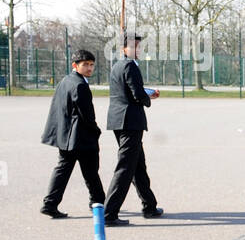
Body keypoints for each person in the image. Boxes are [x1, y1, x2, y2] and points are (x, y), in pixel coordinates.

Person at [40, 48, 105, 218]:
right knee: (91, 172)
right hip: (80, 137)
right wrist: (95, 131)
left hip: (66, 135)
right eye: (85, 65)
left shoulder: (66, 81)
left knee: (63, 169)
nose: (90, 68)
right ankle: (98, 203)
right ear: (75, 65)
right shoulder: (80, 85)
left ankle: (50, 203)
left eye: (92, 65)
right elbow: (87, 114)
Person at [103, 33, 161, 225]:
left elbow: (128, 90)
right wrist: (148, 98)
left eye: (139, 46)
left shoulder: (118, 66)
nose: (138, 50)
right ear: (123, 49)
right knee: (126, 168)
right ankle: (109, 214)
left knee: (138, 165)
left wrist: (145, 93)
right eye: (133, 47)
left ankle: (149, 206)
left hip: (120, 120)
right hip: (129, 121)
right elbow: (136, 94)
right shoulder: (129, 65)